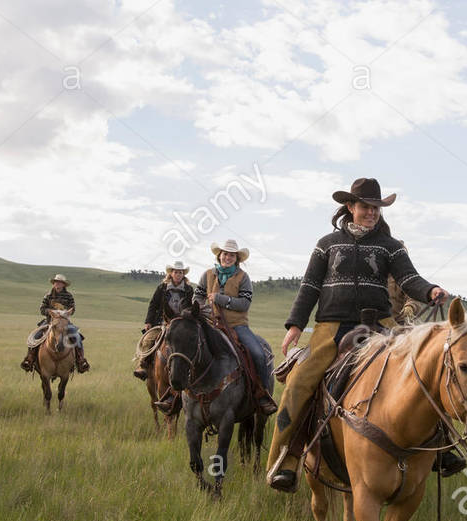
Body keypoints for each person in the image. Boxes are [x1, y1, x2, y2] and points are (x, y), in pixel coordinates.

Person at [265, 178, 449, 494]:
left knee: (422, 372)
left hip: (380, 325)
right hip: (331, 329)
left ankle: (443, 448)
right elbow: (309, 286)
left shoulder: (391, 246)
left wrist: (430, 289)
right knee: (298, 382)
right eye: (365, 207)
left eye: (376, 208)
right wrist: (295, 325)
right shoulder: (326, 244)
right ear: (350, 207)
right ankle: (285, 460)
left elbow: (409, 278)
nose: (371, 213)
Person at [192, 240, 279, 418]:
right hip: (210, 325)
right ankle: (179, 395)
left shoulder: (243, 277)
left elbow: (245, 303)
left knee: (258, 354)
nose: (227, 257)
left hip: (237, 325)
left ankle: (262, 394)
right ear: (219, 255)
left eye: (231, 255)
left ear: (236, 258)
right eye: (225, 254)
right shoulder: (207, 274)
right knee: (188, 350)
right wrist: (203, 308)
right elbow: (197, 296)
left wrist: (220, 299)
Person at [132, 261, 194, 383]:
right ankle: (142, 365)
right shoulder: (162, 287)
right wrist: (148, 321)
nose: (178, 274)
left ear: (183, 274)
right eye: (176, 272)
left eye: (180, 272)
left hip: (181, 323)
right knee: (149, 339)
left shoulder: (188, 289)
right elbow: (153, 304)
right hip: (162, 322)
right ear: (171, 273)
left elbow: (191, 307)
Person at [20, 274, 90, 373]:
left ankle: (80, 360)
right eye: (56, 282)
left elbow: (73, 309)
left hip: (64, 322)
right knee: (35, 336)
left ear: (63, 285)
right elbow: (42, 309)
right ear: (53, 284)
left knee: (77, 336)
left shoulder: (69, 296)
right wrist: (50, 312)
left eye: (60, 282)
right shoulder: (48, 295)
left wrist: (66, 313)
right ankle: (30, 359)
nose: (57, 284)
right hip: (49, 321)